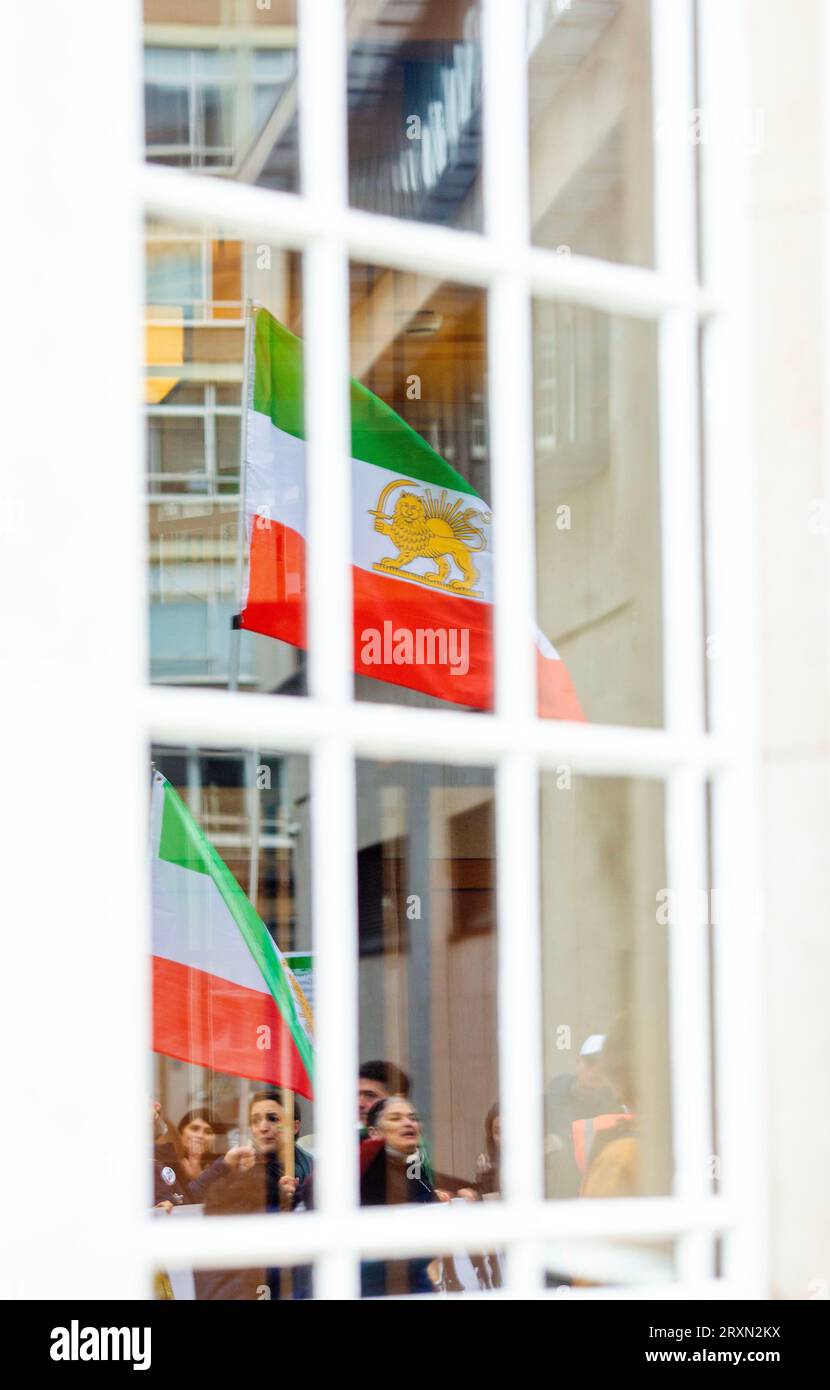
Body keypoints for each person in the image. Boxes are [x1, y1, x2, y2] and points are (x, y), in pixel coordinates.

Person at [197, 1090, 312, 1300]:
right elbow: (192, 1199)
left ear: (294, 1126)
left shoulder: (315, 1167)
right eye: (255, 1121)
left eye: (273, 1119)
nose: (263, 1127)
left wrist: (298, 1197)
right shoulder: (236, 1164)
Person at [359, 1094, 439, 1297]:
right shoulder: (360, 1171)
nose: (408, 1123)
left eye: (412, 1118)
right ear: (374, 1132)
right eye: (395, 1118)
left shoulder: (413, 1167)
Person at [152, 1100, 253, 1210]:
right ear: (180, 1133)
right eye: (194, 1129)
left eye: (208, 1132)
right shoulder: (167, 1162)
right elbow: (183, 1203)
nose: (200, 1136)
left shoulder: (225, 1166)